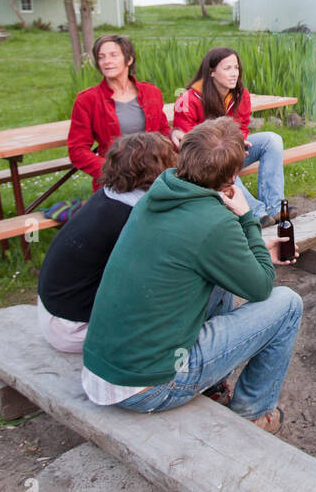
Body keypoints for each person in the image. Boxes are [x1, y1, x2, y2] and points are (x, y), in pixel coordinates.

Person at [81, 117, 302, 434]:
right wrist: (246, 219)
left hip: (103, 368)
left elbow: (202, 252)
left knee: (220, 278)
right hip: (148, 385)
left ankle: (212, 387)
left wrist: (251, 249)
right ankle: (253, 414)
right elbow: (261, 286)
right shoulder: (215, 221)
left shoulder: (159, 194)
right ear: (231, 177)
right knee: (288, 304)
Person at [36, 132, 178, 352]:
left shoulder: (110, 196)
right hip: (72, 328)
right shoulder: (132, 218)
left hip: (53, 311)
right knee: (179, 300)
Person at [172, 46, 284, 226]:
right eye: (227, 68)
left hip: (233, 151)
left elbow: (242, 127)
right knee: (225, 158)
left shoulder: (240, 94)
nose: (234, 74)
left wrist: (240, 144)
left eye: (236, 68)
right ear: (212, 72)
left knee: (272, 140)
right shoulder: (189, 99)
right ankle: (255, 212)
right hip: (203, 162)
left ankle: (275, 208)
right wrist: (231, 151)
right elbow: (188, 144)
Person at [67, 34, 172, 191]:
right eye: (101, 57)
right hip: (115, 181)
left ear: (129, 59)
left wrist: (175, 137)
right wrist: (112, 170)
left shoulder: (151, 92)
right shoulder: (87, 100)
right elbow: (77, 149)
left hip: (154, 178)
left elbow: (162, 133)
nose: (106, 61)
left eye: (113, 55)